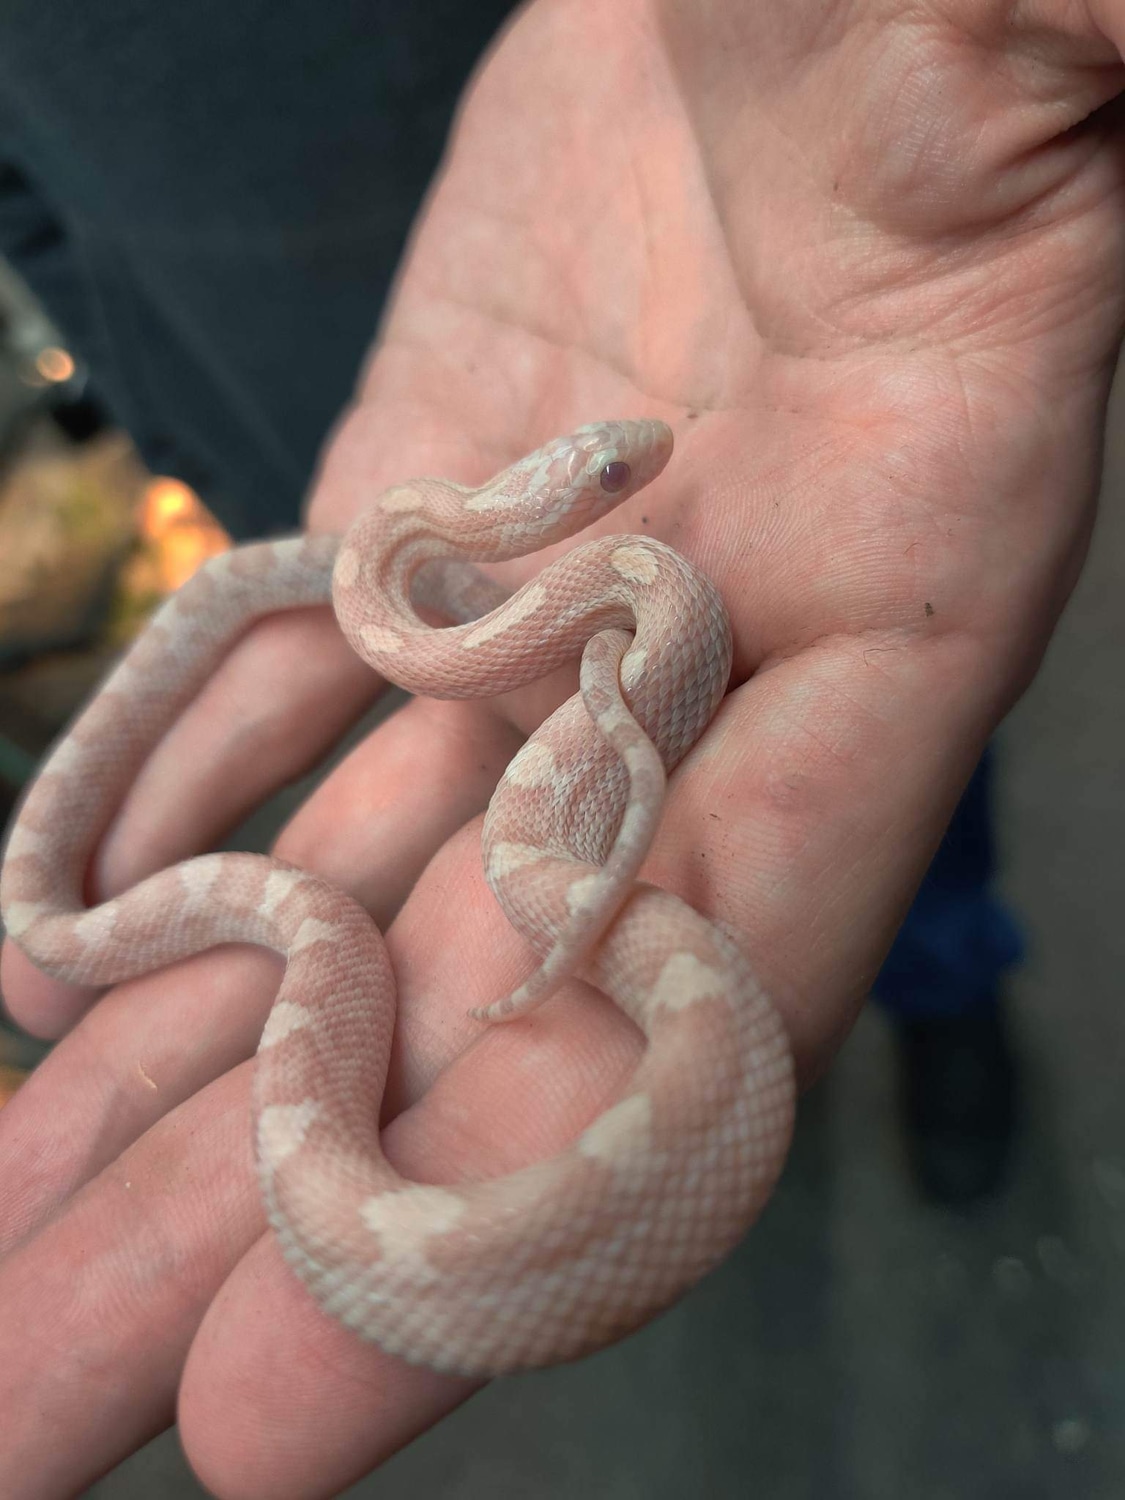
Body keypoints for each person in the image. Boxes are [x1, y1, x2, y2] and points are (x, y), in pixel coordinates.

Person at [0, 2, 1122, 1495]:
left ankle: (949, 992)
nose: (628, 472)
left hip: (537, 168)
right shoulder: (444, 559)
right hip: (234, 344)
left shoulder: (521, 567)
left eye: (607, 470)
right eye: (606, 472)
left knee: (837, 762)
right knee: (381, 879)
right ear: (538, 501)